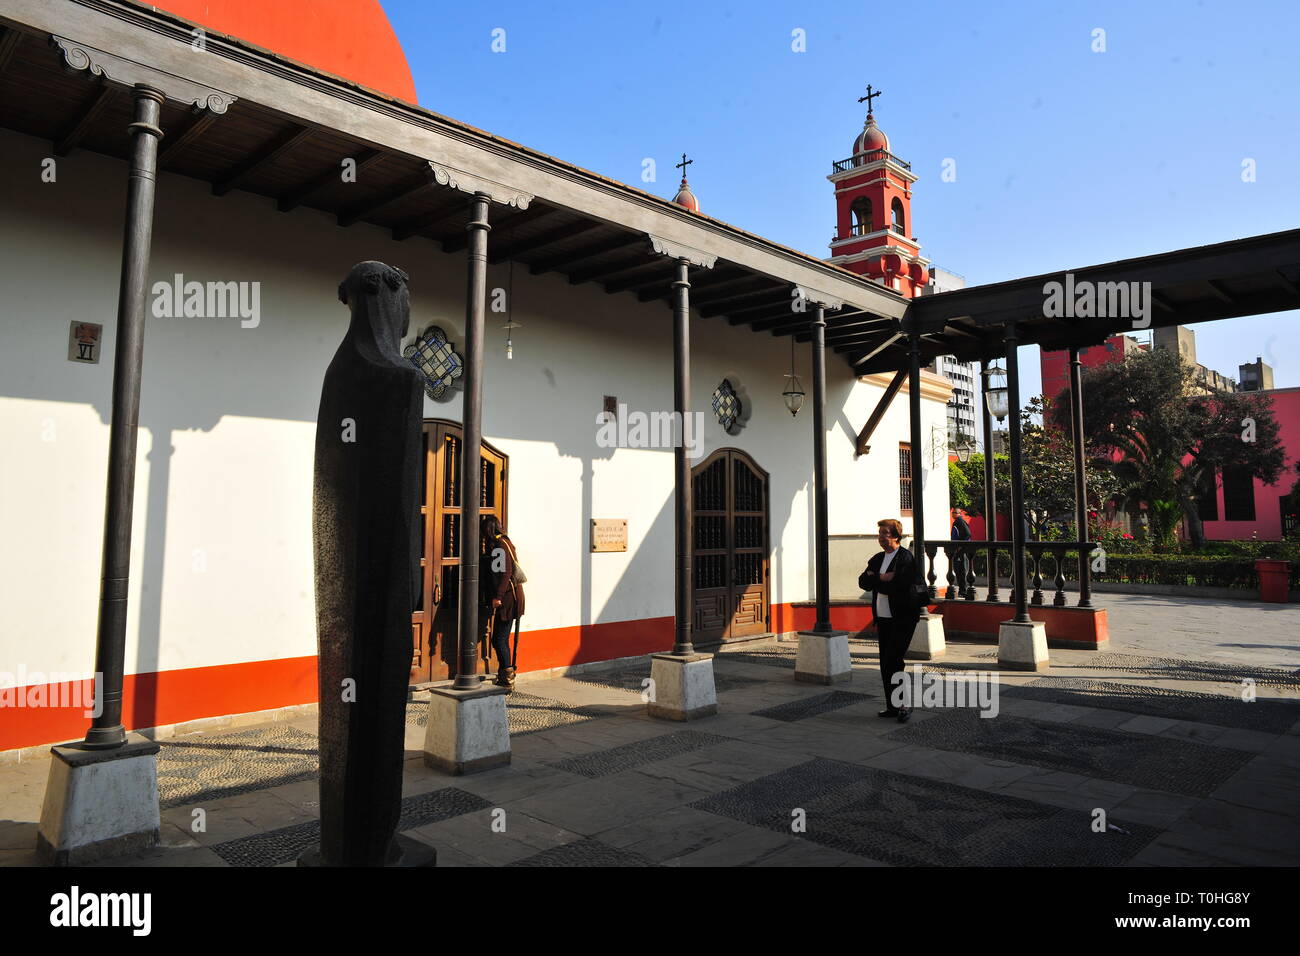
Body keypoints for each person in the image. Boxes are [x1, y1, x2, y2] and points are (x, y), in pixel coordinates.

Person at [858, 519, 921, 722]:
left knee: (894, 660)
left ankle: (903, 705)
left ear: (895, 536)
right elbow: (863, 582)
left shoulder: (905, 558)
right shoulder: (878, 558)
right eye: (880, 533)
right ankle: (892, 706)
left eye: (885, 533)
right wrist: (881, 578)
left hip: (903, 618)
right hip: (883, 618)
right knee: (886, 663)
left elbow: (898, 586)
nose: (881, 536)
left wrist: (876, 579)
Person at [480, 515, 524, 690]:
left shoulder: (499, 546)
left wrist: (497, 596)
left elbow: (504, 573)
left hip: (507, 598)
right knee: (500, 638)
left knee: (499, 639)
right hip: (512, 597)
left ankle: (507, 679)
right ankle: (504, 675)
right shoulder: (506, 542)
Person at [950, 509, 972, 590]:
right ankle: (962, 590)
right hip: (959, 550)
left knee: (961, 570)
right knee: (959, 570)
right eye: (952, 513)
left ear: (959, 514)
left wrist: (960, 546)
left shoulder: (959, 522)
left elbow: (967, 534)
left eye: (954, 513)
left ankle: (963, 590)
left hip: (961, 551)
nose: (952, 514)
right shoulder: (958, 522)